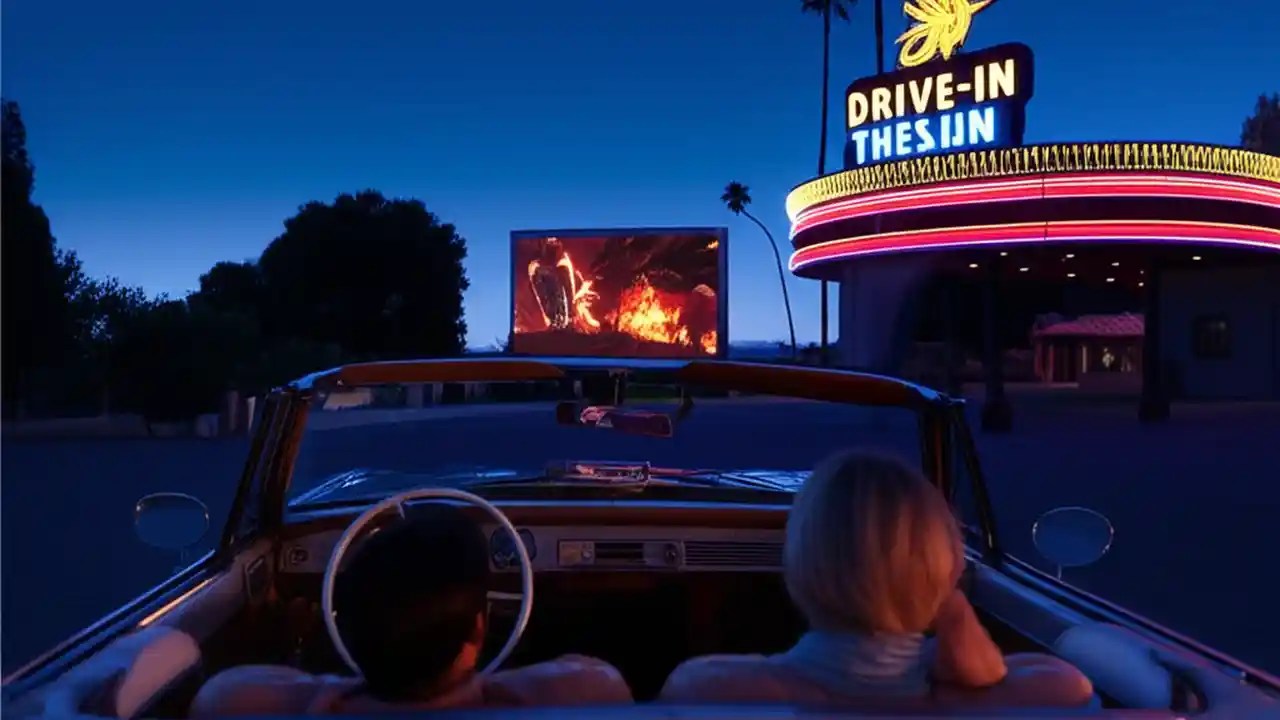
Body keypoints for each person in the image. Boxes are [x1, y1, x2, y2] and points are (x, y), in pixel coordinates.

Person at [659, 450, 1094, 709]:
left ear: (800, 566)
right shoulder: (1053, 691)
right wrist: (952, 611)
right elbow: (1044, 683)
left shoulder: (704, 689)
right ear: (948, 568)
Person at [191, 504, 632, 715]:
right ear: (478, 628)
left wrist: (309, 667)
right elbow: (592, 677)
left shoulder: (229, 703)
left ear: (347, 624)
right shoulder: (592, 693)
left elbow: (231, 687)